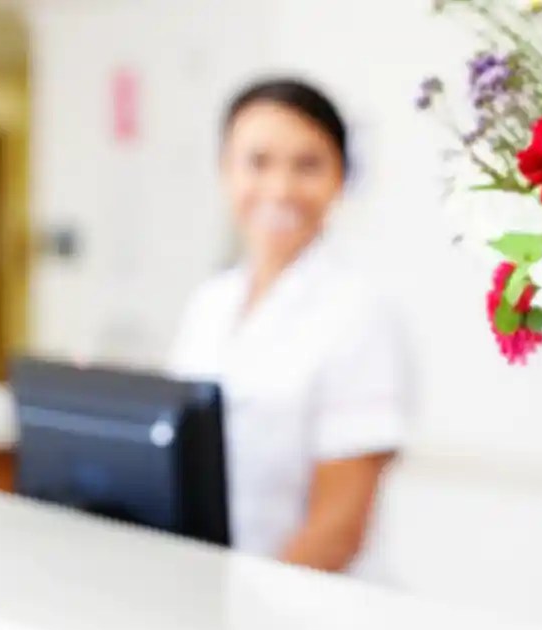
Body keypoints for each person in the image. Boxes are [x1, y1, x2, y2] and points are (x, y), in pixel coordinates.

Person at [169, 78, 412, 574]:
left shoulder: (359, 314)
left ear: (340, 178)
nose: (280, 189)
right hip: (212, 593)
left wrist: (245, 607)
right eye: (258, 162)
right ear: (225, 171)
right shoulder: (209, 305)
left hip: (312, 605)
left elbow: (338, 531)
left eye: (308, 165)